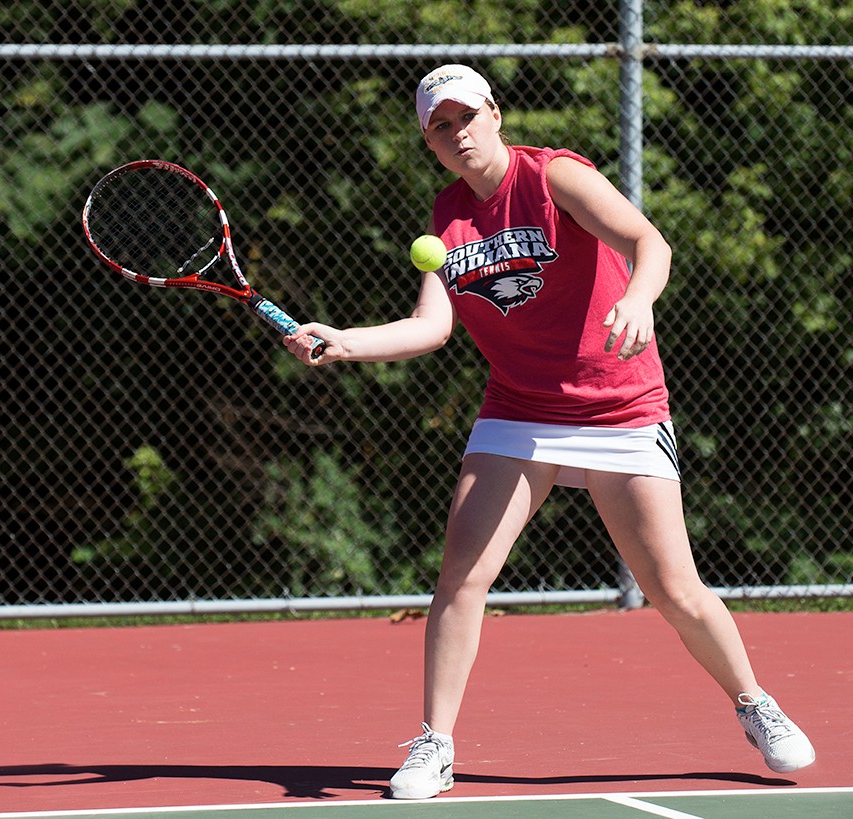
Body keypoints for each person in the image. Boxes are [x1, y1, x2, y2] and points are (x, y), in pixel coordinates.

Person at [284, 64, 816, 799]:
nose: (458, 131)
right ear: (430, 143)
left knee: (674, 589)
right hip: (519, 411)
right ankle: (435, 745)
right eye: (441, 126)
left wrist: (638, 299)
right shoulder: (449, 218)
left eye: (467, 115)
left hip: (619, 405)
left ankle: (756, 703)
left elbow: (646, 240)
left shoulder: (553, 176)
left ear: (495, 114)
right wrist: (344, 340)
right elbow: (430, 326)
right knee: (461, 575)